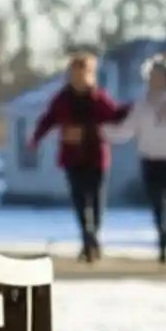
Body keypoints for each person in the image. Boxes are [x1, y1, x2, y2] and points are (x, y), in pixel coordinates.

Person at [101, 51, 166, 264]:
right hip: (150, 157)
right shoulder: (142, 103)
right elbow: (127, 129)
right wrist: (105, 132)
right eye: (151, 75)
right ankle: (162, 236)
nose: (154, 80)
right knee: (156, 200)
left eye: (158, 75)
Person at [28, 53, 130, 262]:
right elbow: (48, 119)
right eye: (74, 73)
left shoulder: (98, 98)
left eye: (83, 73)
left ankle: (92, 239)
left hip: (96, 157)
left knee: (97, 202)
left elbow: (114, 115)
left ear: (91, 75)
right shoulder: (62, 99)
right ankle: (88, 241)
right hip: (73, 158)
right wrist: (36, 138)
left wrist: (135, 108)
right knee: (80, 202)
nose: (79, 78)